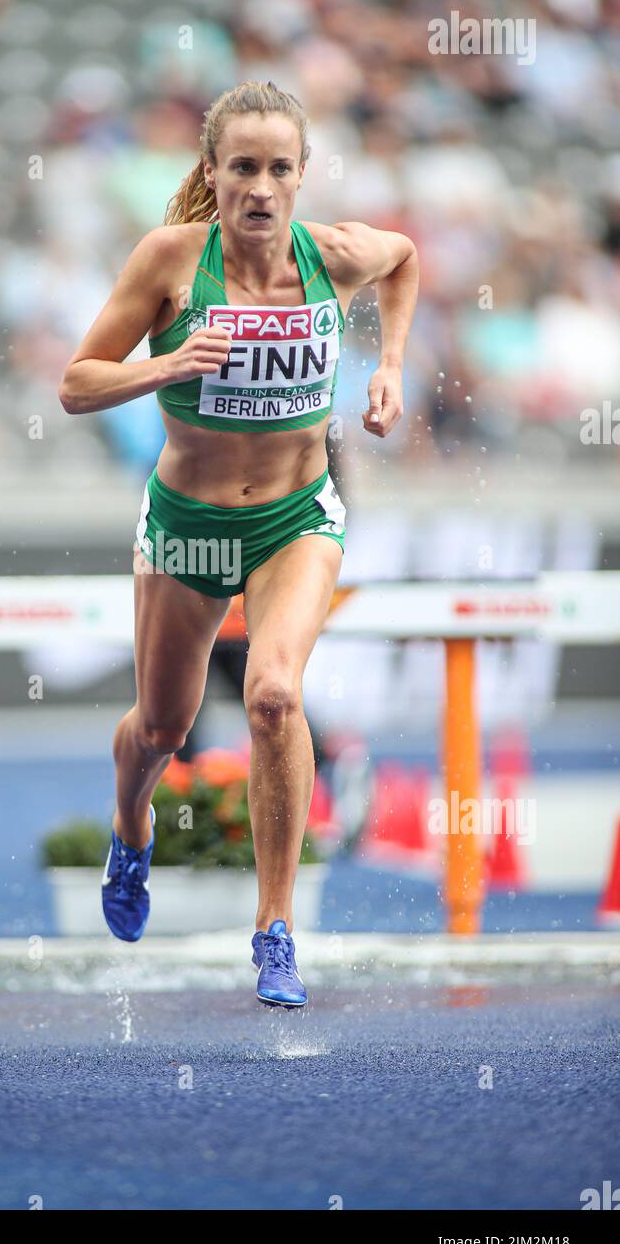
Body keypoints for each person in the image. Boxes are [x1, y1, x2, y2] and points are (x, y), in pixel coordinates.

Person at [59, 81, 418, 1006]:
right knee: (161, 730)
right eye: (243, 168)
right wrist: (169, 363)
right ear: (212, 173)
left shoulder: (335, 256)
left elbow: (406, 258)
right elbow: (75, 383)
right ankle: (131, 829)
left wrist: (390, 372)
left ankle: (275, 928)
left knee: (271, 697)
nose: (261, 188)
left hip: (296, 517)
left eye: (280, 169)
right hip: (188, 524)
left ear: (303, 177)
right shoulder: (171, 261)